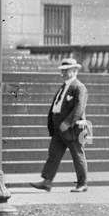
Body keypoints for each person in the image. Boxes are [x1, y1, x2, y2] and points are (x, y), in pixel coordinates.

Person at [30, 56, 89, 192]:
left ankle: (82, 183)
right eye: (62, 71)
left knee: (78, 155)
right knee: (54, 155)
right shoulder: (64, 87)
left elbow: (79, 108)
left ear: (74, 71)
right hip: (59, 129)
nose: (63, 73)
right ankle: (47, 181)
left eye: (66, 70)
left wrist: (67, 123)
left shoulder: (79, 87)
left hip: (72, 129)